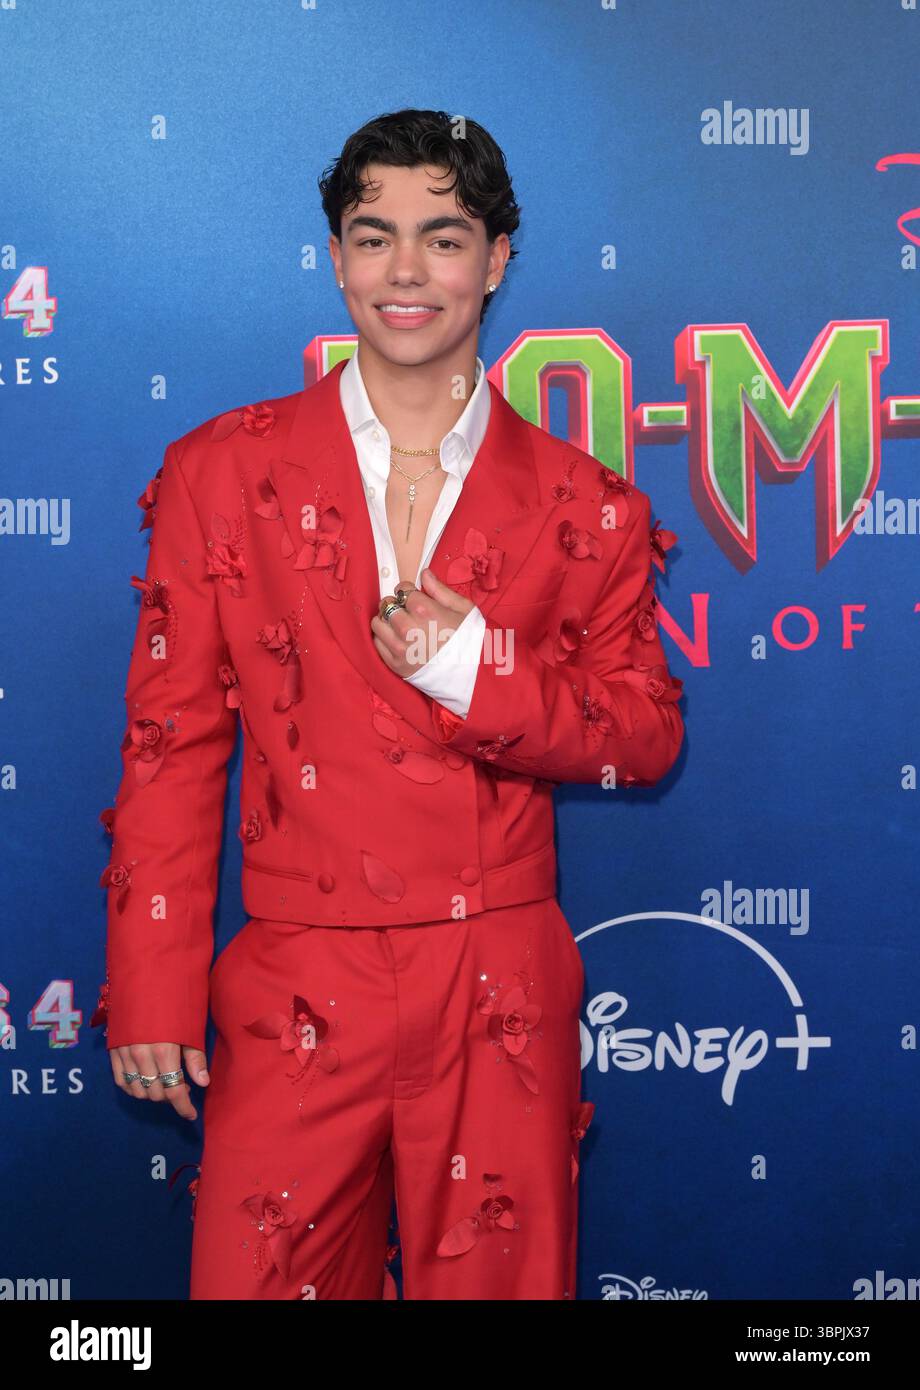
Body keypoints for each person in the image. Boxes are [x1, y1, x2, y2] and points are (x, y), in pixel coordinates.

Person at [94, 108, 685, 1300]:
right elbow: (170, 743)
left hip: (497, 978)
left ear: (498, 258)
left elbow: (643, 735)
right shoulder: (221, 472)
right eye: (374, 237)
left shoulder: (593, 503)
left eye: (443, 237)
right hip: (295, 973)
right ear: (334, 255)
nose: (405, 272)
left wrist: (479, 673)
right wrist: (152, 979)